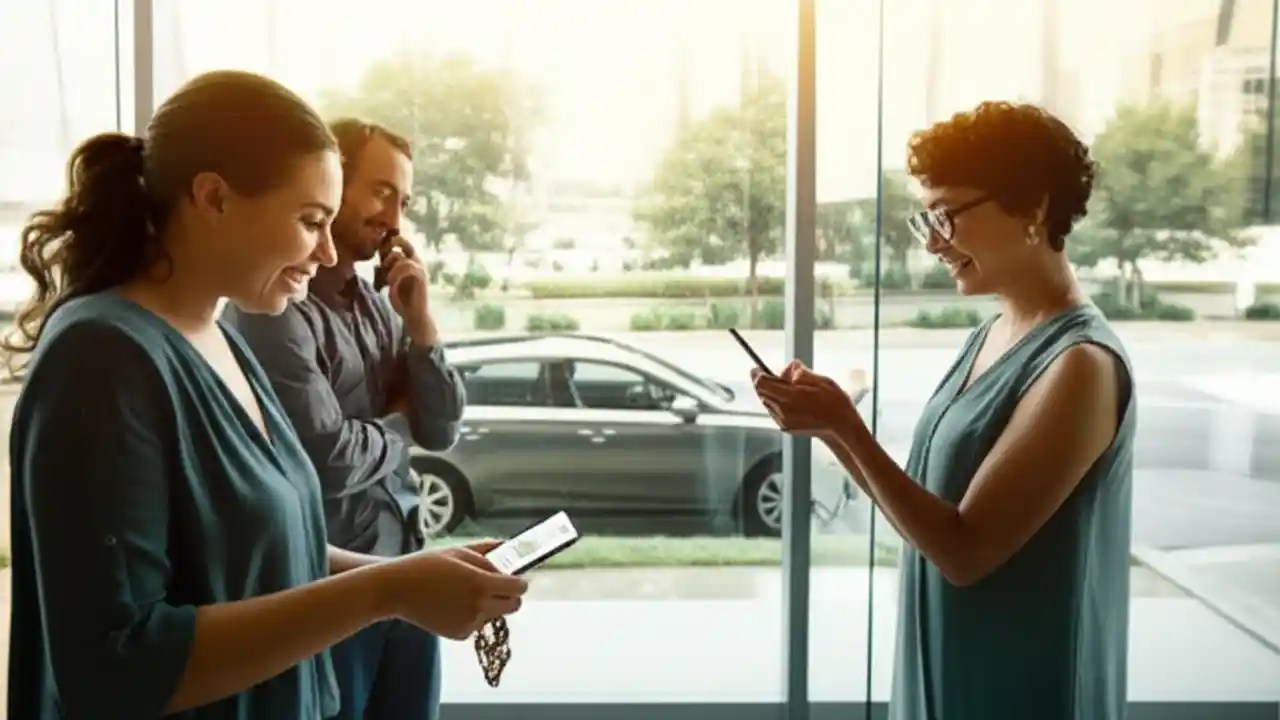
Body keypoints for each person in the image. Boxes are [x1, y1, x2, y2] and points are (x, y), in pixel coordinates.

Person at [4, 70, 526, 720]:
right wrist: (385, 591)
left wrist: (413, 578)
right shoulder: (103, 358)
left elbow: (275, 546)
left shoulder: (219, 339)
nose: (328, 250)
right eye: (311, 221)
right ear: (214, 197)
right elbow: (116, 665)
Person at [753, 101, 1135, 720]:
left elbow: (965, 552)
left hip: (1023, 686)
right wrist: (830, 429)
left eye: (948, 215)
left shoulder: (1079, 367)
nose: (932, 241)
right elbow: (933, 517)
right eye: (925, 218)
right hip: (951, 664)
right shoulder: (990, 336)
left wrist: (845, 427)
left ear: (1033, 207)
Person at [221, 118, 458, 720]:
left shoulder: (378, 306)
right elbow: (324, 459)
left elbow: (442, 429)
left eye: (403, 201)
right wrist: (397, 427)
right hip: (330, 592)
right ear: (331, 180)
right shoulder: (274, 304)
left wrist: (422, 324)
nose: (395, 219)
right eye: (381, 191)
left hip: (404, 569)